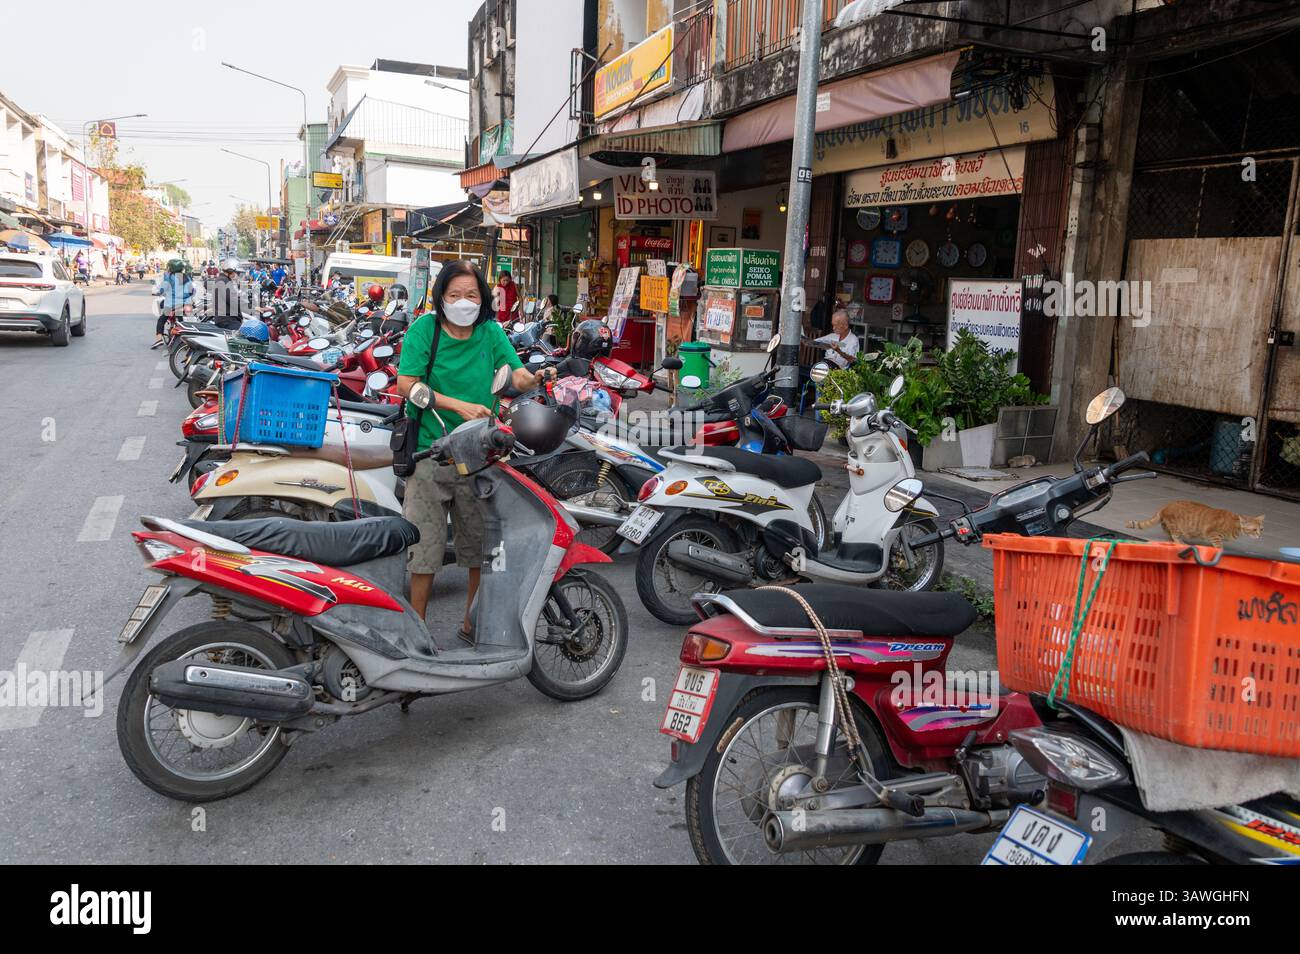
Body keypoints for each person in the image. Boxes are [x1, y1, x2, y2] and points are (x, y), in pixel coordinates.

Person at [396, 260, 555, 643]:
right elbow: (406, 384)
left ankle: (473, 624)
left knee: (480, 548)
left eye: (471, 294)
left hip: (479, 456)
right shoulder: (424, 330)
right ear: (441, 297)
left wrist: (534, 377)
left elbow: (515, 374)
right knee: (424, 551)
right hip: (430, 453)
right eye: (454, 295)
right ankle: (417, 632)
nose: (463, 302)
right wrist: (460, 406)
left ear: (483, 297)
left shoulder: (489, 332)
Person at [154, 259, 195, 347]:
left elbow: (162, 289)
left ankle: (159, 339)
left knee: (161, 320)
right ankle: (184, 340)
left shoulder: (168, 277)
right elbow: (192, 291)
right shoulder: (186, 277)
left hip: (170, 305)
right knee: (182, 322)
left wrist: (159, 291)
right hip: (183, 305)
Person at [206, 259, 245, 330]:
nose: (237, 275)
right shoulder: (224, 281)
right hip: (228, 320)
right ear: (230, 271)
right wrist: (241, 315)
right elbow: (233, 301)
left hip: (225, 319)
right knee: (241, 335)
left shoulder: (223, 280)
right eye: (236, 272)